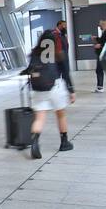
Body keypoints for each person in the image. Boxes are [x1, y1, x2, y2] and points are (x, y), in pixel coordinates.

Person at [24, 28, 75, 158]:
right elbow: (66, 73)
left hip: (38, 88)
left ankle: (35, 142)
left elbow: (29, 70)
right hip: (55, 87)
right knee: (61, 115)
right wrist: (71, 90)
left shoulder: (34, 54)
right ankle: (64, 143)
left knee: (39, 118)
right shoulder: (58, 53)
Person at [93, 19, 106, 92]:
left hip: (103, 55)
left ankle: (100, 87)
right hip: (102, 54)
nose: (99, 26)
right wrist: (97, 39)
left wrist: (100, 45)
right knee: (100, 70)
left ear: (103, 25)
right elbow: (104, 41)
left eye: (100, 25)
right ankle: (99, 87)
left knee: (103, 70)